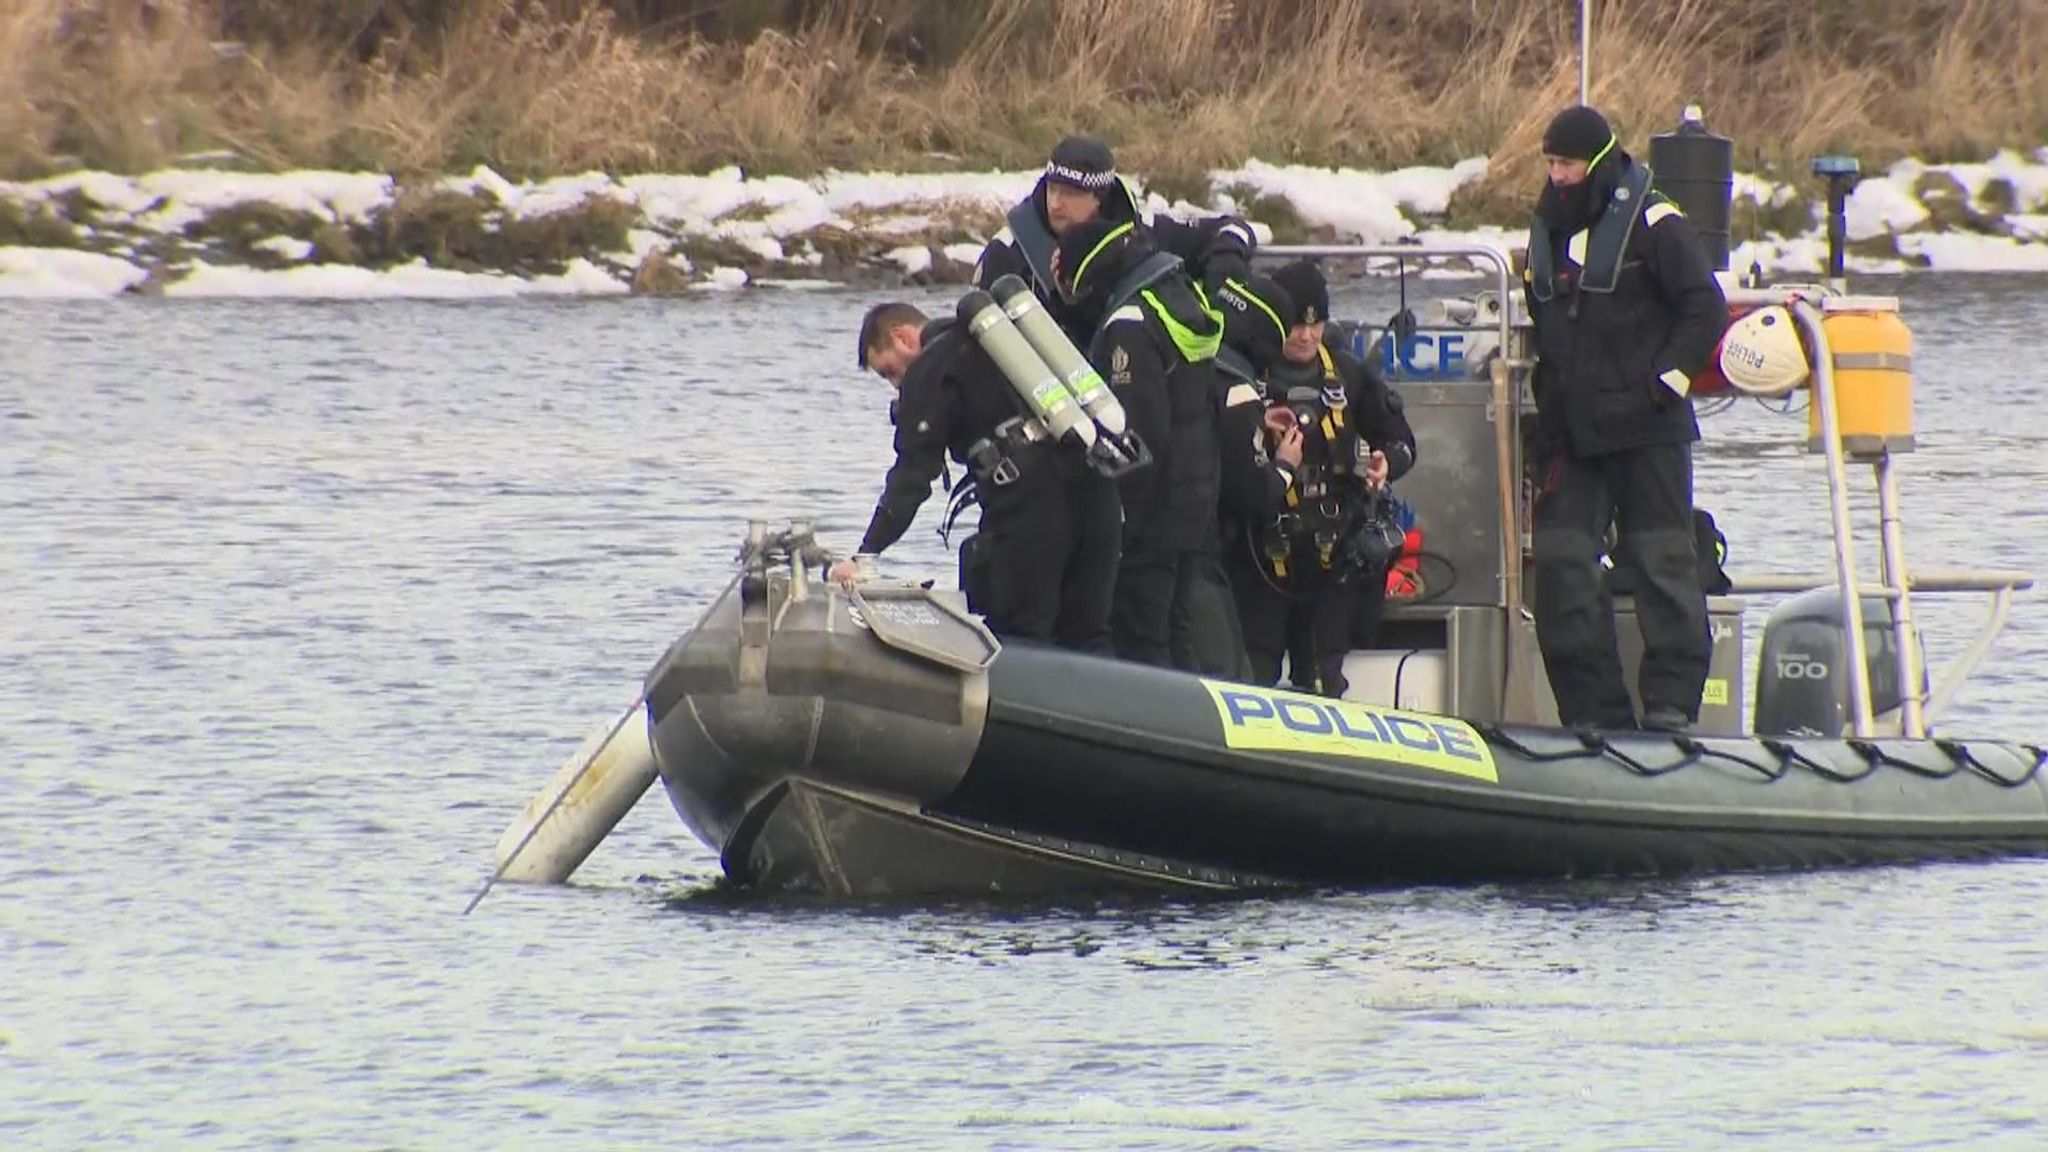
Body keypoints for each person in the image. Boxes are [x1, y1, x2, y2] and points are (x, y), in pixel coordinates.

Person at [1521, 105, 1730, 731]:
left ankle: (1670, 705)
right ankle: (1594, 711)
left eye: (1568, 164)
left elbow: (1703, 304)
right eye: (1552, 163)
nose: (1558, 176)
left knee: (1663, 562)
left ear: (1598, 160)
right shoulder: (1548, 229)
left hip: (1648, 424)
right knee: (1560, 564)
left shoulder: (1656, 221)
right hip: (1574, 432)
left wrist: (1668, 378)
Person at [828, 300, 1122, 653]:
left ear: (902, 336)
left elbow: (913, 476)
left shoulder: (930, 368)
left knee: (1025, 635)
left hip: (1031, 510)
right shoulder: (1007, 344)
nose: (896, 385)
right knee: (1089, 632)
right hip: (1098, 493)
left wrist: (867, 552)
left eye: (889, 371)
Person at [1225, 259, 1418, 698]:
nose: (1307, 336)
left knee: (1326, 673)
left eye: (1316, 325)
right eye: (1296, 326)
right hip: (1261, 551)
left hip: (1333, 553)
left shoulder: (1348, 375)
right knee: (1256, 670)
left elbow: (1400, 438)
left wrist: (1387, 461)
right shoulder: (1244, 373)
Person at [1049, 217, 1228, 669]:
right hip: (1195, 493)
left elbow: (1139, 429)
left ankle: (1156, 728)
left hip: (1154, 509)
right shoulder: (1174, 294)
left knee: (1143, 633)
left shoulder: (1127, 325)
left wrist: (1123, 517)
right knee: (1177, 625)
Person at [976, 134, 1259, 348]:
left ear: (1100, 198)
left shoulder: (1140, 230)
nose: (1056, 204)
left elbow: (1232, 229)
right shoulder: (1010, 249)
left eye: (1072, 193)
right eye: (1052, 189)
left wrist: (1225, 273)